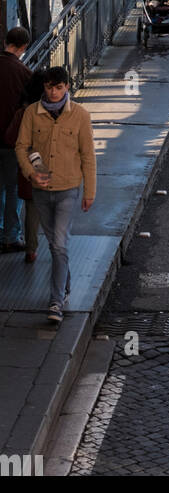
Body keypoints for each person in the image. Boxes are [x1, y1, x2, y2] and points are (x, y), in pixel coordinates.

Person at [15, 66, 96, 325]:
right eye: (49, 87)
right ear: (44, 87)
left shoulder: (80, 116)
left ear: (66, 88)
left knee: (59, 244)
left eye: (58, 87)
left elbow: (88, 156)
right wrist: (31, 173)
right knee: (54, 245)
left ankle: (55, 301)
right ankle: (65, 284)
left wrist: (90, 191)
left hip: (68, 190)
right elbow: (21, 146)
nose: (53, 92)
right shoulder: (31, 114)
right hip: (41, 191)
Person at [0, 26, 39, 255]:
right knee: (13, 187)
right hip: (12, 140)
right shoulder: (24, 73)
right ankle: (10, 237)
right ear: (24, 47)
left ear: (5, 41)